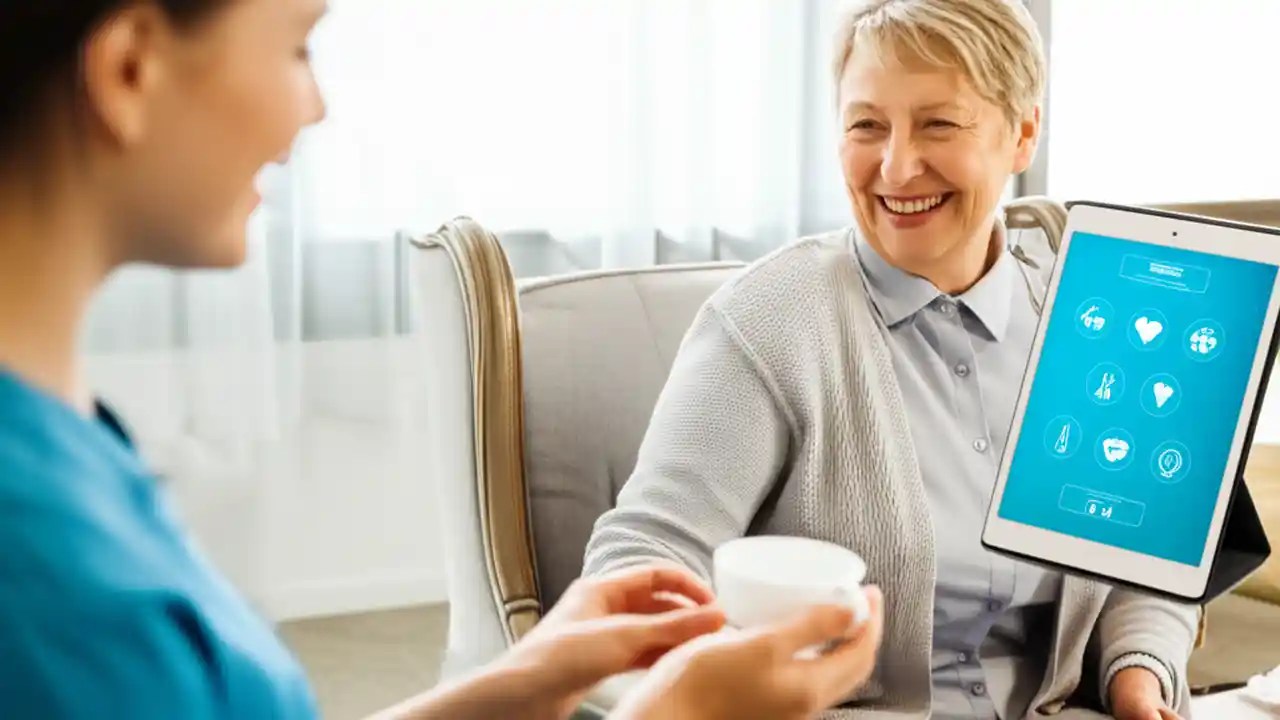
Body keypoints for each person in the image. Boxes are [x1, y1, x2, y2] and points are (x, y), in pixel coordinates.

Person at [0, 1, 885, 718]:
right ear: (130, 71)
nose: (317, 107)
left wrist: (525, 679)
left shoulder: (68, 437)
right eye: (299, 46)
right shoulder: (48, 577)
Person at [583, 1, 1194, 719]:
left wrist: (1139, 675)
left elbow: (1142, 567)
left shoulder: (1085, 326)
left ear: (1023, 132)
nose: (897, 166)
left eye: (939, 123)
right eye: (867, 125)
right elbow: (644, 560)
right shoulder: (771, 321)